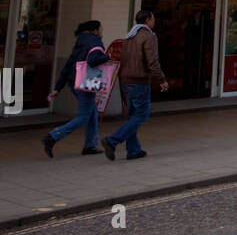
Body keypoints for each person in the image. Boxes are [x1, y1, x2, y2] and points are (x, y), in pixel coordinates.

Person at [102, 11, 168, 161]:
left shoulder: (129, 36)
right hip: (139, 80)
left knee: (132, 116)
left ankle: (133, 150)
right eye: (153, 18)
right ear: (147, 20)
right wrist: (161, 79)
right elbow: (152, 61)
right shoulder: (148, 36)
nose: (154, 21)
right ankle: (112, 140)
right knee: (141, 114)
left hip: (126, 80)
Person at [43, 20, 106, 157]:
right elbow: (93, 61)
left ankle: (90, 144)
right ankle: (53, 136)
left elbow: (68, 65)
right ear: (95, 30)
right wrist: (108, 56)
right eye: (101, 29)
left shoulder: (80, 42)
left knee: (92, 112)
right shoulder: (95, 42)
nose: (102, 32)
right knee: (83, 116)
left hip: (74, 82)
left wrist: (57, 88)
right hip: (87, 83)